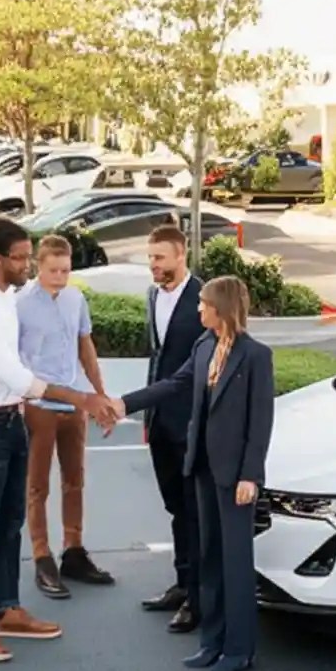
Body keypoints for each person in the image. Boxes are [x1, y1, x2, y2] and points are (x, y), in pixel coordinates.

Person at [0, 217, 116, 663]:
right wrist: (81, 397)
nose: (29, 265)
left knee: (9, 525)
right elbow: (18, 377)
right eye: (22, 258)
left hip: (10, 422)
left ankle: (7, 611)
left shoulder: (8, 298)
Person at [111, 275, 275, 671]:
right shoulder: (203, 346)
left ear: (221, 309)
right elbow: (173, 384)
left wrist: (250, 475)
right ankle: (212, 642)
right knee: (209, 560)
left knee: (236, 564)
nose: (198, 309)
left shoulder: (255, 356)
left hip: (235, 476)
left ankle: (240, 650)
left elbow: (261, 423)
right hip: (200, 467)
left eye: (203, 304)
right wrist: (123, 403)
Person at [17, 234, 115, 599]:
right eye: (53, 270)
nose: (60, 276)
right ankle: (42, 558)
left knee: (75, 480)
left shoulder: (75, 298)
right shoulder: (20, 303)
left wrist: (99, 393)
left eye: (66, 270)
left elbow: (84, 346)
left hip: (74, 403)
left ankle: (73, 550)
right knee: (36, 486)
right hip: (38, 405)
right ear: (38, 267)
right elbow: (11, 359)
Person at [138, 224, 206, 633]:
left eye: (160, 258)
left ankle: (197, 598)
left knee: (194, 512)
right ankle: (182, 584)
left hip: (191, 425)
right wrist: (147, 418)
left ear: (181, 256)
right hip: (160, 423)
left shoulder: (205, 299)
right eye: (150, 258)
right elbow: (157, 358)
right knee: (175, 509)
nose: (153, 265)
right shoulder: (151, 295)